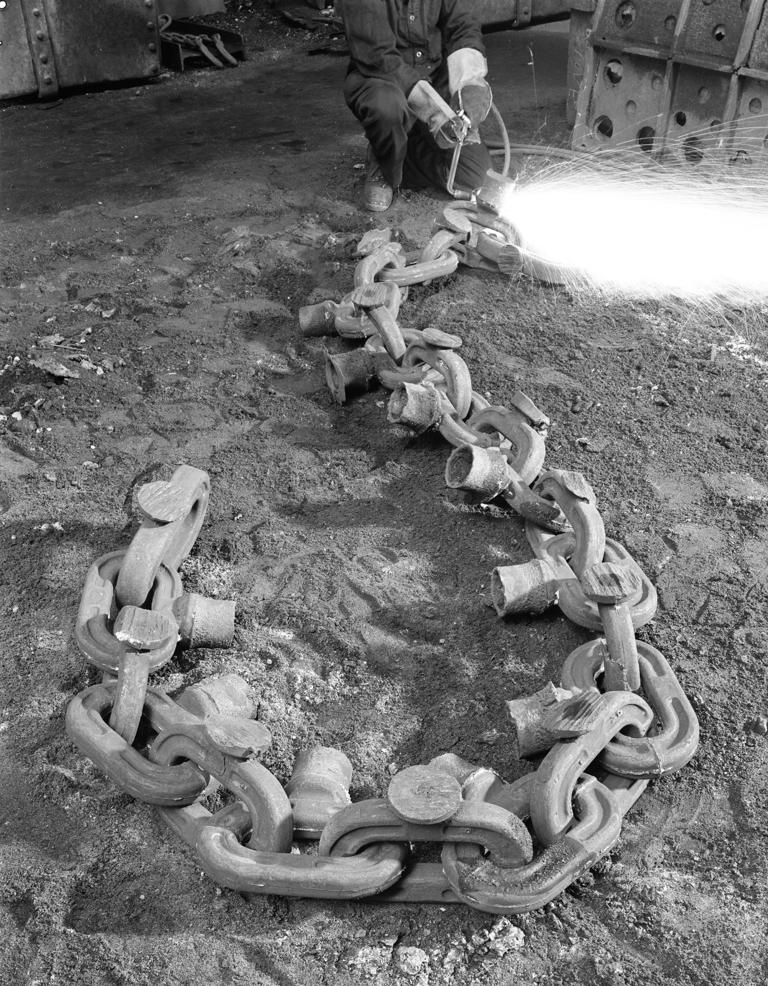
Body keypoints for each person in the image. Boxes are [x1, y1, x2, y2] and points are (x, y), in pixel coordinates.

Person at [337, 0, 493, 212]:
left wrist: (469, 82)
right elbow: (378, 58)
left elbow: (464, 27)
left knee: (473, 177)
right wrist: (438, 114)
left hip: (433, 74)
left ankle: (403, 150)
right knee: (386, 109)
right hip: (381, 78)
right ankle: (384, 160)